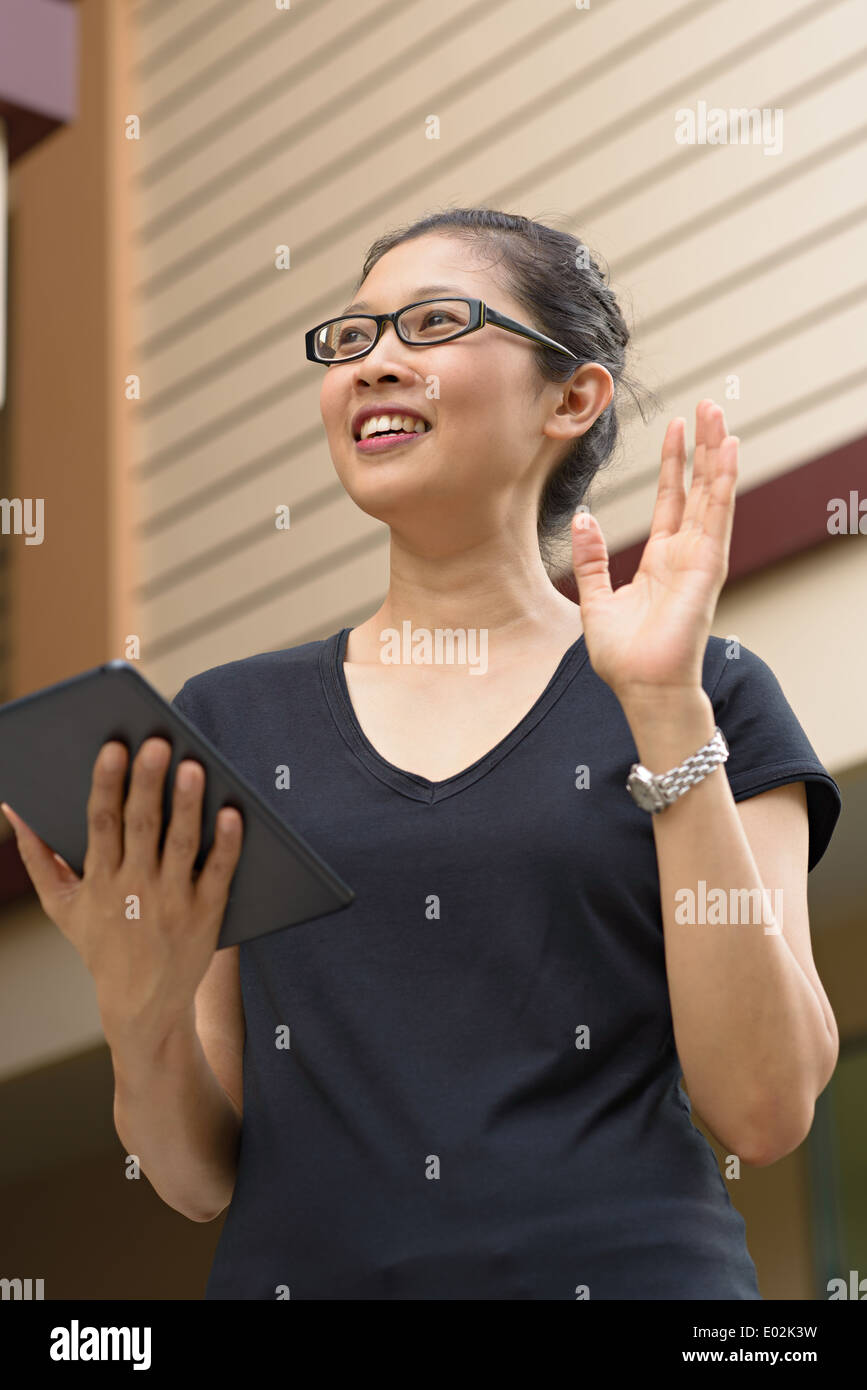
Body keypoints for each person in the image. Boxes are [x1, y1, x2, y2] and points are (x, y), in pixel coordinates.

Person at [3, 208, 842, 1300]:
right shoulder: (232, 720)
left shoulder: (710, 687)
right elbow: (195, 1176)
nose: (374, 365)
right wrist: (138, 1004)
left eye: (432, 324)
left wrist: (664, 709)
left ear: (571, 396)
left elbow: (766, 1110)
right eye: (349, 340)